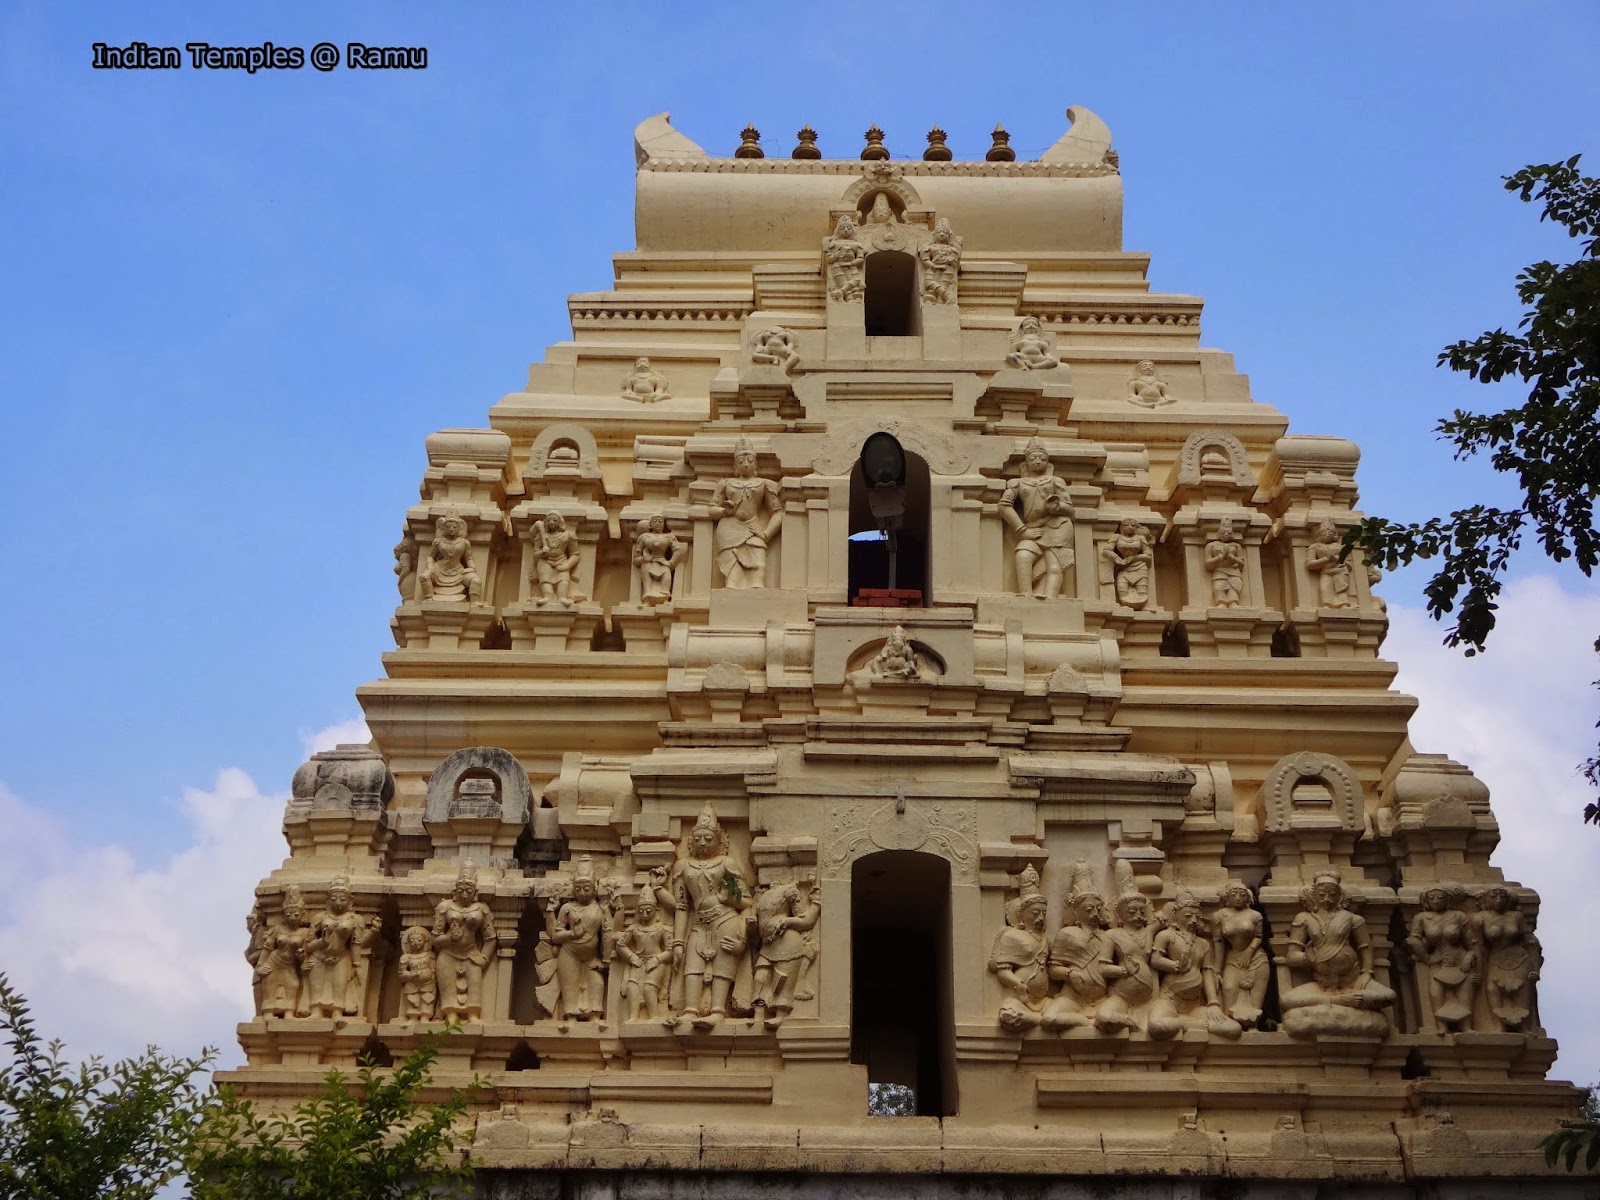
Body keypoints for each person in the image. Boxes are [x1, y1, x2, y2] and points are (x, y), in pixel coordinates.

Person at [668, 802, 754, 1030]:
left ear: (720, 840)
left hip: (726, 920)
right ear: (691, 841)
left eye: (708, 838)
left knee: (721, 968)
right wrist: (678, 942)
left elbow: (747, 901)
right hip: (698, 924)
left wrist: (729, 900)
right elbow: (682, 906)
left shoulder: (727, 863)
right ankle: (690, 1009)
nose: (703, 843)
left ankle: (718, 1010)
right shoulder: (683, 866)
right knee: (691, 967)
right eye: (698, 839)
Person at [1000, 438, 1074, 598]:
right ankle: (1026, 594)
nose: (1038, 462)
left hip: (1058, 527)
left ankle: (1050, 597)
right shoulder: (1017, 483)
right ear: (1025, 463)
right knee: (1023, 554)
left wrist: (1057, 507)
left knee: (1054, 566)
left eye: (1042, 459)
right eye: (1033, 458)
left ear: (1048, 463)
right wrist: (1022, 530)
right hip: (1033, 529)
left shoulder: (1055, 481)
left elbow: (1070, 508)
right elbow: (1004, 505)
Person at [711, 438, 781, 589]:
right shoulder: (725, 483)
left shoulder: (765, 484)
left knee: (758, 561)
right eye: (741, 461)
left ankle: (756, 587)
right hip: (729, 528)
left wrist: (766, 534)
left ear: (756, 464)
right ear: (735, 465)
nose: (746, 464)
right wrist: (724, 512)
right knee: (732, 571)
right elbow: (711, 509)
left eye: (749, 460)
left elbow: (778, 513)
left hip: (752, 527)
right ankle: (732, 588)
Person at [432, 860, 496, 1021]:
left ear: (475, 891)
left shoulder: (482, 909)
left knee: (474, 987)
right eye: (461, 891)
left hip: (471, 953)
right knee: (447, 988)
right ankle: (450, 1014)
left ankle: (473, 1014)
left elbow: (490, 938)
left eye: (469, 890)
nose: (465, 895)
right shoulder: (445, 907)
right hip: (448, 953)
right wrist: (449, 938)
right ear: (455, 891)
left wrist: (483, 958)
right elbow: (435, 938)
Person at [632, 514, 683, 606]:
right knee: (647, 581)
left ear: (664, 524)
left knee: (666, 579)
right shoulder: (644, 537)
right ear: (650, 525)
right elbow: (635, 558)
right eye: (654, 521)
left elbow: (678, 550)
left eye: (660, 521)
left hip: (662, 562)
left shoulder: (669, 536)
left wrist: (670, 562)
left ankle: (665, 600)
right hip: (648, 563)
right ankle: (647, 600)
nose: (657, 524)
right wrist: (644, 559)